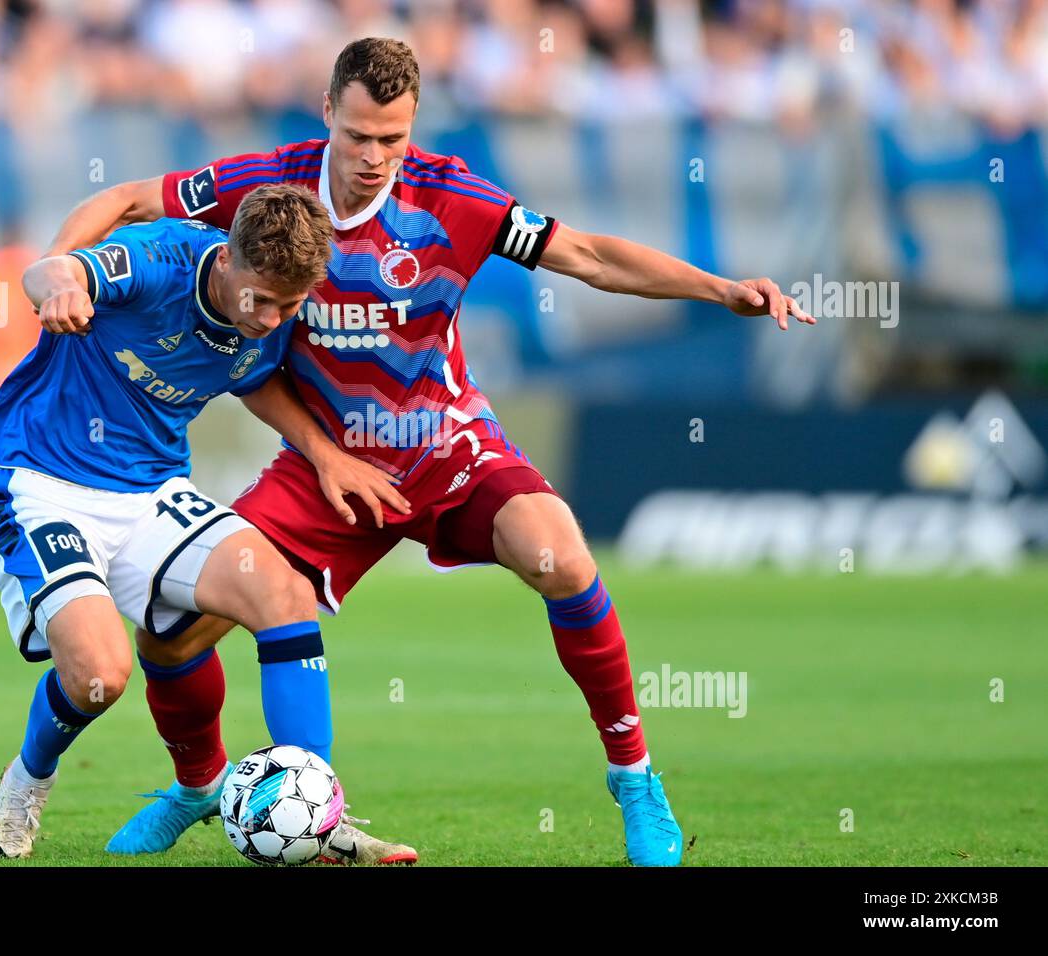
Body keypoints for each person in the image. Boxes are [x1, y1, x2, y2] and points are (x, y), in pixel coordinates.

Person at [45, 38, 815, 867]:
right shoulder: (264, 186)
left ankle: (635, 778)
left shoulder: (455, 199)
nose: (374, 158)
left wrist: (721, 287)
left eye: (393, 140)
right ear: (328, 115)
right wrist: (58, 269)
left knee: (558, 555)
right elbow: (126, 201)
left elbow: (587, 255)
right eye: (359, 137)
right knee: (169, 637)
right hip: (325, 465)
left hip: (445, 447)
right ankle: (199, 785)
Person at [0, 183, 413, 862]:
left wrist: (323, 455)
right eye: (259, 300)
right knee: (99, 677)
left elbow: (256, 375)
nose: (269, 319)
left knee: (284, 594)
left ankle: (318, 814)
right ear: (227, 260)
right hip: (44, 481)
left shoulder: (279, 311)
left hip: (151, 491)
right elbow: (54, 271)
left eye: (286, 306)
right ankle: (26, 779)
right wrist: (57, 278)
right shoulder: (157, 261)